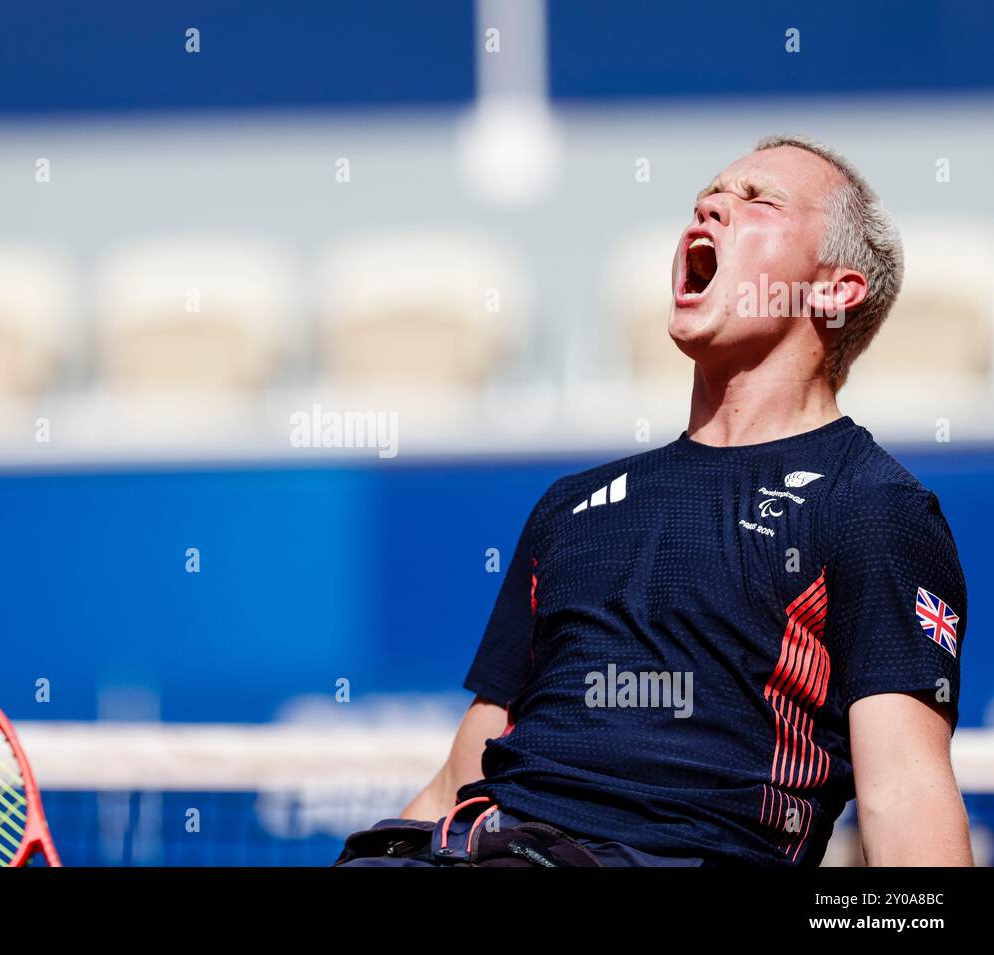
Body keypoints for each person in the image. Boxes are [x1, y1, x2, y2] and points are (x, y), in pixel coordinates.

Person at [335, 135, 970, 867]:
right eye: (709, 195)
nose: (710, 207)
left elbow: (905, 793)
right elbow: (461, 775)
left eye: (758, 200)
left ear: (834, 289)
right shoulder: (569, 506)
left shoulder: (871, 505)